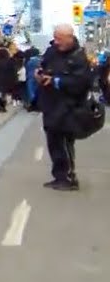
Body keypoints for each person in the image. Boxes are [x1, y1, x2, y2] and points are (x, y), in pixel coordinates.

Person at [36, 24, 93, 191]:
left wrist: (55, 81)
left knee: (64, 142)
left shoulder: (78, 57)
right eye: (55, 38)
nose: (56, 42)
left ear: (70, 38)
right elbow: (43, 66)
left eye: (60, 39)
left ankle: (69, 178)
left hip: (68, 106)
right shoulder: (51, 51)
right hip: (50, 103)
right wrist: (40, 74)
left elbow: (81, 83)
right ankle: (59, 176)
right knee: (53, 142)